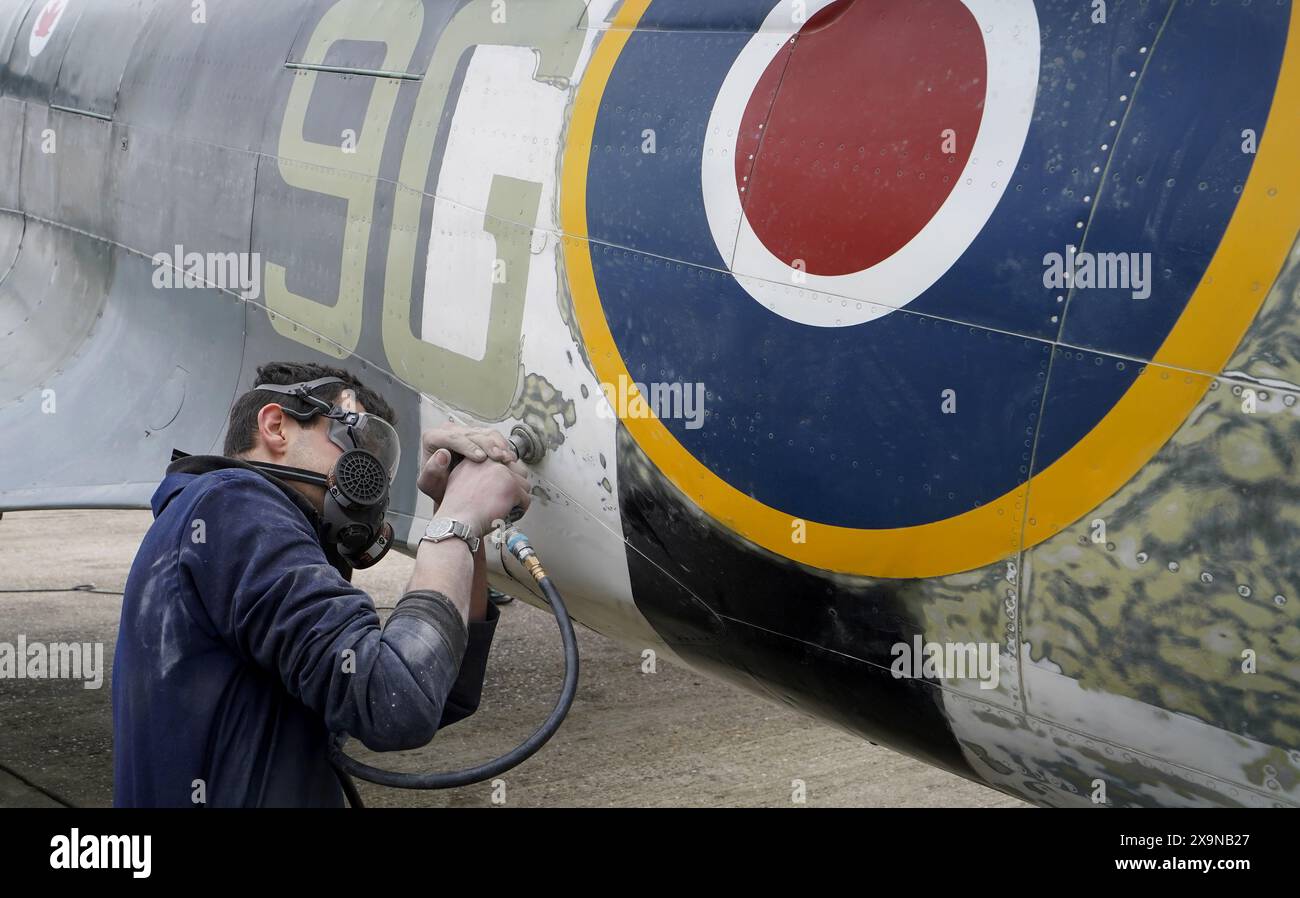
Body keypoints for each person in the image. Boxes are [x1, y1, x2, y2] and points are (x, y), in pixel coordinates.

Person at [112, 361, 530, 807]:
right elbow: (394, 697)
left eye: (381, 460)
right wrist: (456, 521)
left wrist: (462, 520)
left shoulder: (227, 521)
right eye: (358, 442)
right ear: (276, 427)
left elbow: (439, 690)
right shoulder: (230, 504)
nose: (370, 473)